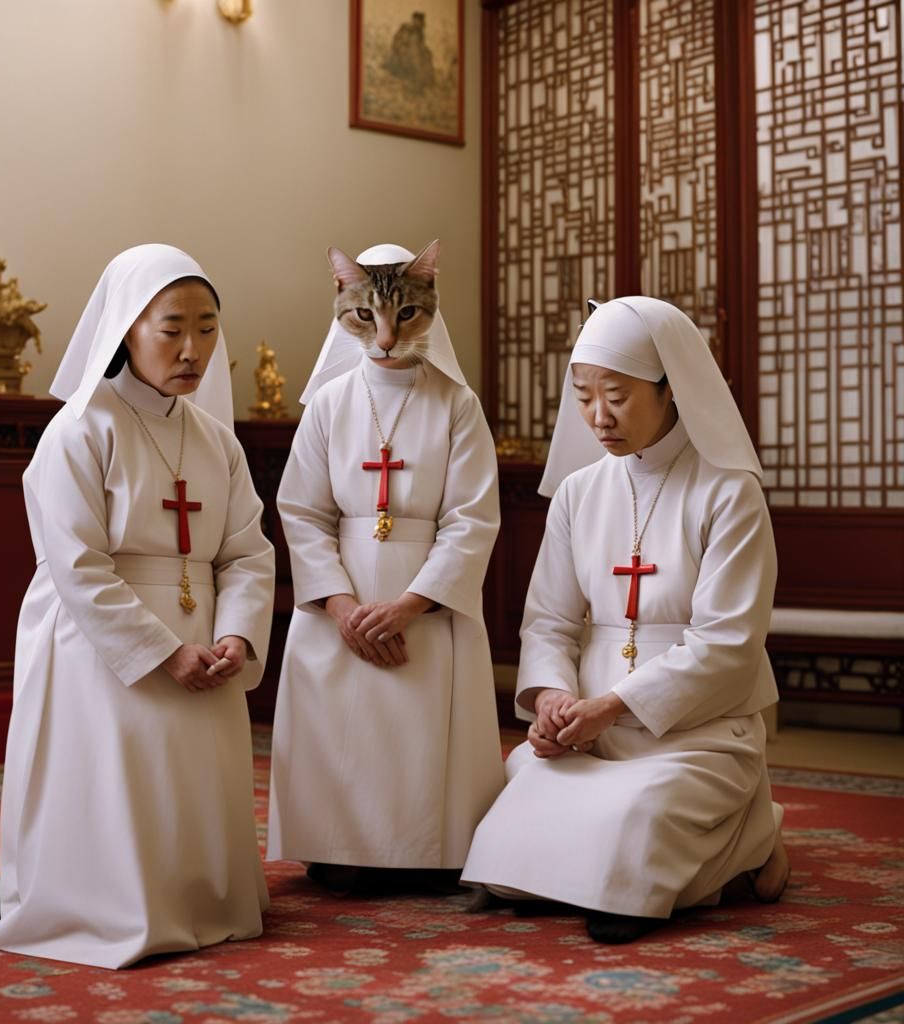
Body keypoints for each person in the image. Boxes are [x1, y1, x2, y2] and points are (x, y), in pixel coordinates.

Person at [0, 244, 275, 968]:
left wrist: (236, 638)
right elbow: (75, 564)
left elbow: (247, 551)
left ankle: (199, 898)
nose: (194, 349)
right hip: (103, 641)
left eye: (208, 328)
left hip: (205, 639)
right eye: (172, 328)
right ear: (127, 328)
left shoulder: (217, 441)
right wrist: (162, 651)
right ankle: (97, 900)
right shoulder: (80, 429)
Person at [461, 296, 791, 943]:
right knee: (507, 836)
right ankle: (711, 859)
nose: (597, 417)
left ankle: (753, 833)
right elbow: (548, 622)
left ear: (672, 388)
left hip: (698, 735)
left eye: (617, 395)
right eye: (584, 396)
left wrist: (612, 704)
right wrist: (556, 698)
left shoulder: (729, 490)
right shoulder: (581, 492)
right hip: (595, 735)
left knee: (640, 817)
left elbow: (729, 644)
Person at [266, 241, 504, 893]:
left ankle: (433, 847)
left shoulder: (457, 404)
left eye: (405, 317)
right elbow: (302, 512)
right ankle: (336, 844)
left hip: (425, 607)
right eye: (368, 318)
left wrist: (409, 605)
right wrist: (342, 608)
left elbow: (472, 518)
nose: (387, 335)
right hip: (338, 604)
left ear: (430, 308)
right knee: (345, 729)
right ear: (344, 309)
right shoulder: (330, 405)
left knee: (422, 732)